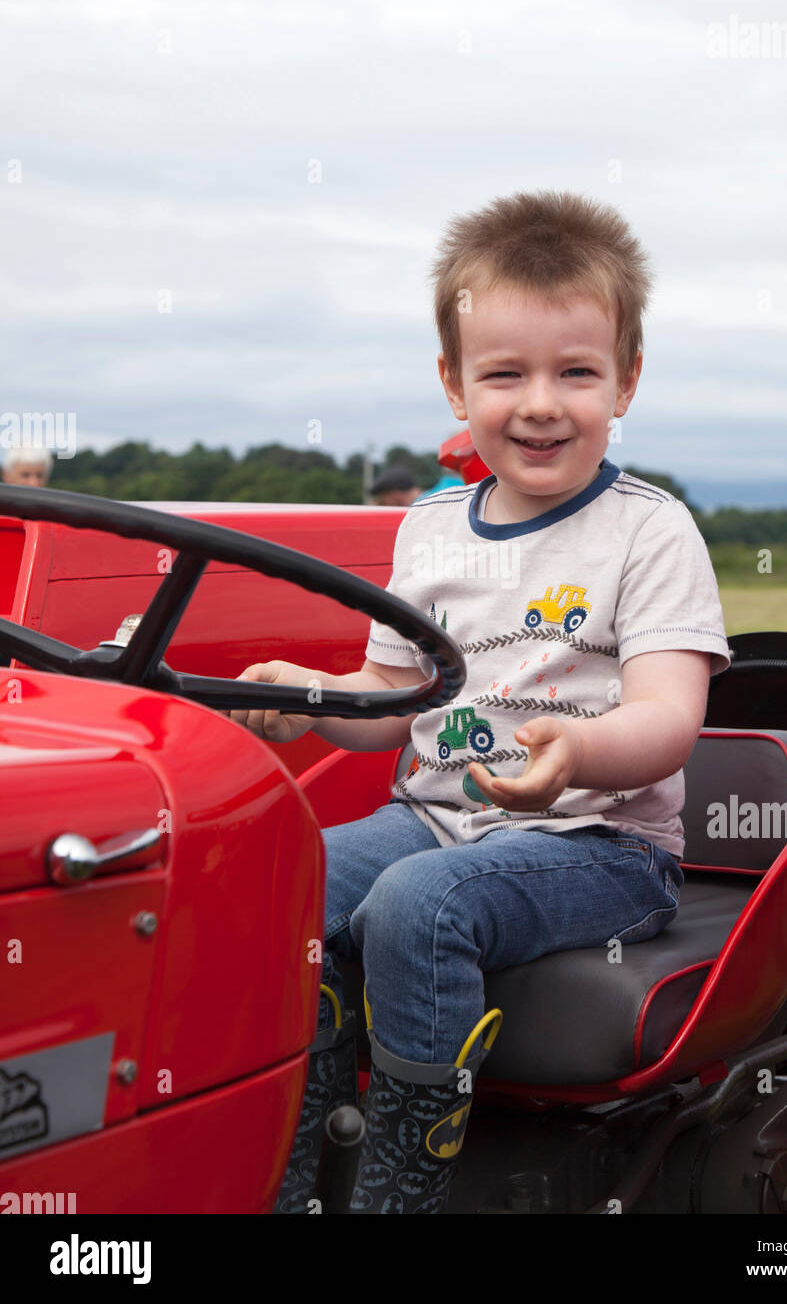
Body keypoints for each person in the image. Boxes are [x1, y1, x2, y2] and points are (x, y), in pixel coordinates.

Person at [231, 189, 730, 1214]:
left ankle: (404, 1180)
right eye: (504, 373)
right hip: (432, 813)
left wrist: (578, 754)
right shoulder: (427, 530)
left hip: (599, 845)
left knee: (419, 903)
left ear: (626, 379)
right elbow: (389, 701)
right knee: (288, 875)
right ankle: (300, 1161)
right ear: (455, 385)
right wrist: (308, 696)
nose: (540, 402)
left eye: (575, 372)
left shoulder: (650, 531)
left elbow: (669, 715)